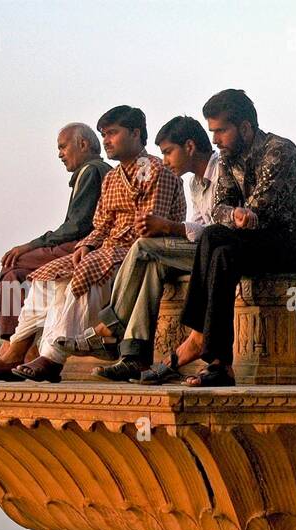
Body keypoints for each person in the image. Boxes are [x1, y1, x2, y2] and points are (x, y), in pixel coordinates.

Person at [0, 106, 185, 382]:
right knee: (46, 277)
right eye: (104, 134)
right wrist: (87, 246)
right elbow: (100, 226)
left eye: (112, 133)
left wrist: (88, 248)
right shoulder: (112, 177)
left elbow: (147, 228)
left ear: (135, 133)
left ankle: (51, 358)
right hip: (106, 246)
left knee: (67, 275)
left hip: (138, 250)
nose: (106, 140)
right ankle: (14, 352)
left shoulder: (153, 170)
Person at [139, 89, 296, 387]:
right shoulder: (231, 159)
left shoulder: (277, 151)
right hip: (264, 237)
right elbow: (219, 209)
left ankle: (205, 347)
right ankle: (212, 353)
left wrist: (241, 216)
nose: (215, 139)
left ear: (245, 127)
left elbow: (261, 210)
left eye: (221, 131)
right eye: (212, 131)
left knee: (225, 252)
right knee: (215, 238)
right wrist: (236, 216)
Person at [57, 116, 220, 381]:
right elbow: (101, 224)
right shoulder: (193, 182)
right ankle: (134, 357)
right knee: (149, 266)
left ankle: (109, 327)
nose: (165, 159)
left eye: (169, 152)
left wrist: (168, 227)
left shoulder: (203, 171)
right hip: (183, 249)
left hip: (215, 252)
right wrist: (89, 243)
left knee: (143, 247)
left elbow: (209, 232)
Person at [0, 125, 109, 379]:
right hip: (88, 243)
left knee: (14, 266)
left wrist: (32, 245)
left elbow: (77, 227)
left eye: (63, 146)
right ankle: (23, 347)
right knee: (23, 273)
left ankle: (11, 345)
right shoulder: (100, 171)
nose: (60, 154)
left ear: (84, 145)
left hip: (82, 245)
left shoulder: (91, 171)